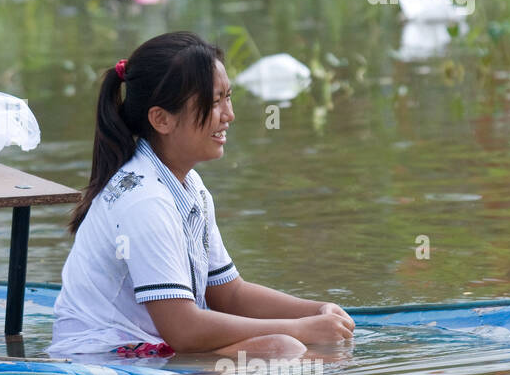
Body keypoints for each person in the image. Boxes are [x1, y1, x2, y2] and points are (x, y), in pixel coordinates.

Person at [49, 31, 354, 357]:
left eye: (228, 97)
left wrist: (318, 310)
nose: (229, 115)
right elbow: (184, 330)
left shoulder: (189, 186)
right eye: (213, 102)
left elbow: (230, 294)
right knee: (282, 347)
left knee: (286, 344)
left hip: (152, 346)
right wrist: (300, 328)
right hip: (103, 359)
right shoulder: (145, 202)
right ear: (161, 119)